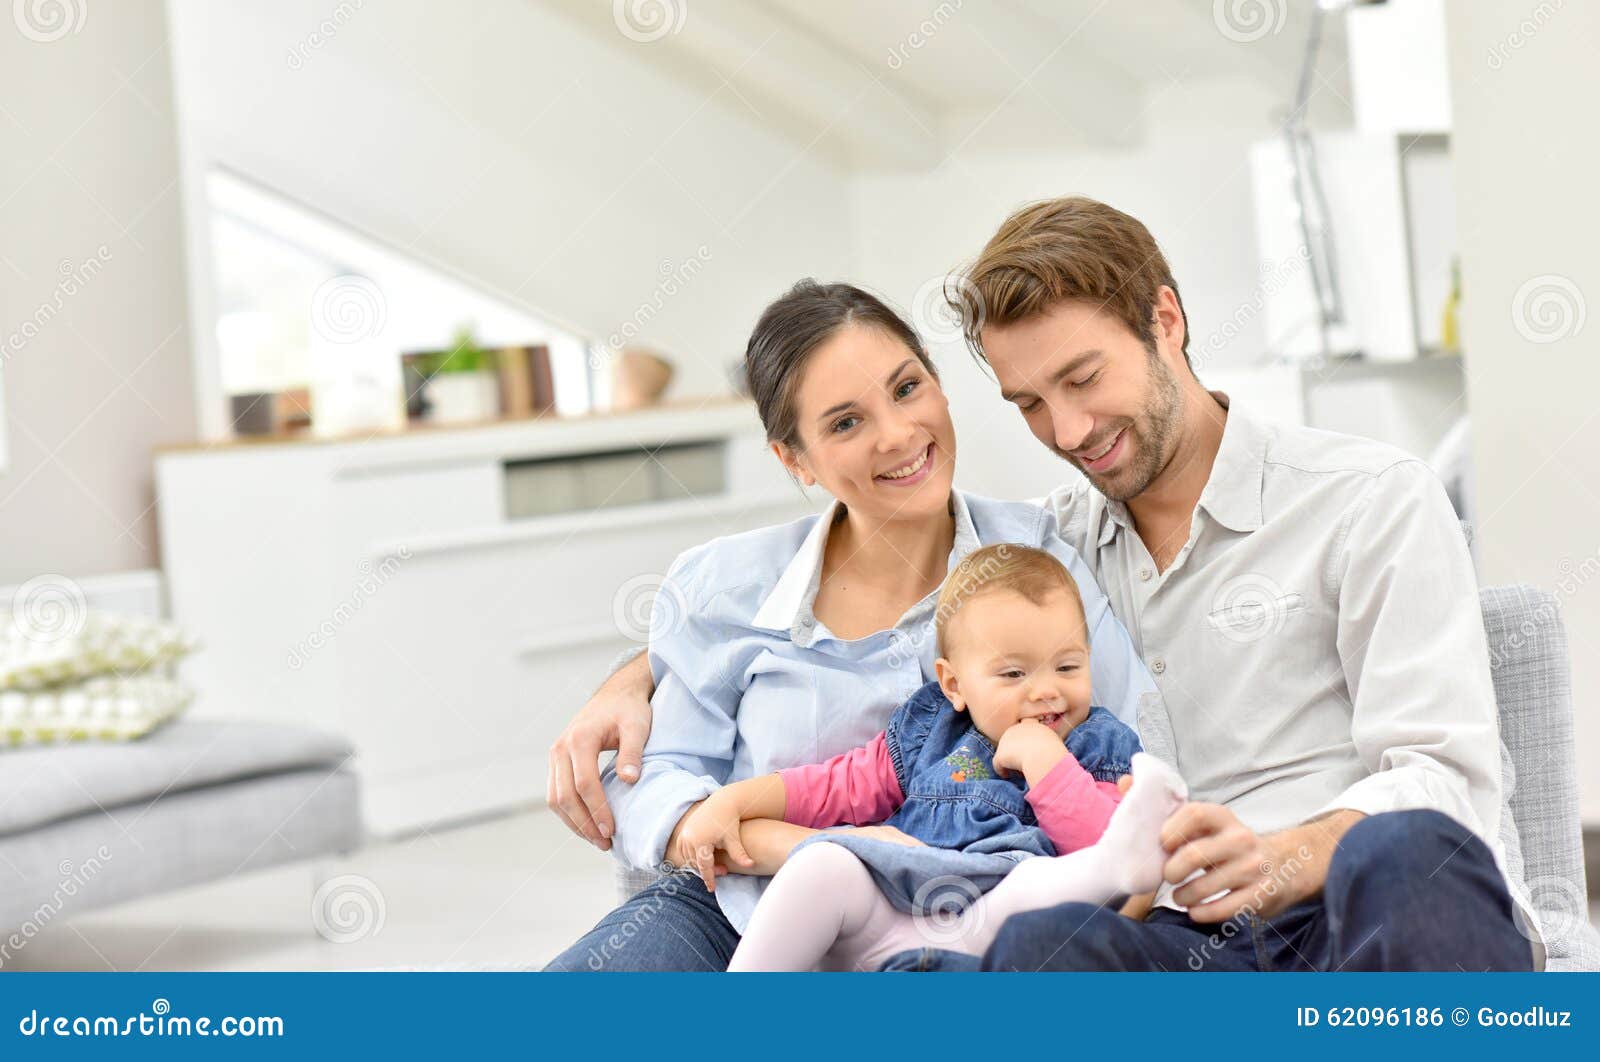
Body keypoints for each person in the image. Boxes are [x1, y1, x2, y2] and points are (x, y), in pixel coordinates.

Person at [551, 198, 1537, 972]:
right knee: (1035, 949)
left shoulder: (1365, 501)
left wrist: (1292, 852)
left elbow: (1447, 781)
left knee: (1402, 849)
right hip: (1189, 938)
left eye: (1082, 378)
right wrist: (637, 676)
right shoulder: (1047, 550)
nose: (1067, 433)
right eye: (1027, 402)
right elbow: (886, 622)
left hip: (1359, 914)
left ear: (1165, 318)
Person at [542, 279, 1154, 971]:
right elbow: (658, 779)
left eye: (905, 388)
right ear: (793, 458)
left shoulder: (1039, 557)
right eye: (844, 422)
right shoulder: (723, 584)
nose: (898, 435)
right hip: (739, 910)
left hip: (966, 921)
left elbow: (1124, 749)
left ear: (939, 382)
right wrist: (791, 846)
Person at [711, 545, 1189, 971]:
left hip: (985, 928)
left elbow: (1093, 842)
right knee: (821, 864)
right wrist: (737, 800)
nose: (1046, 691)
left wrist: (1047, 763)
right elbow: (837, 787)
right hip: (889, 911)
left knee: (1039, 887)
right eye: (1014, 673)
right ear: (955, 684)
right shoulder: (930, 729)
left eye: (1067, 666)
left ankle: (1127, 859)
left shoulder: (1096, 744)